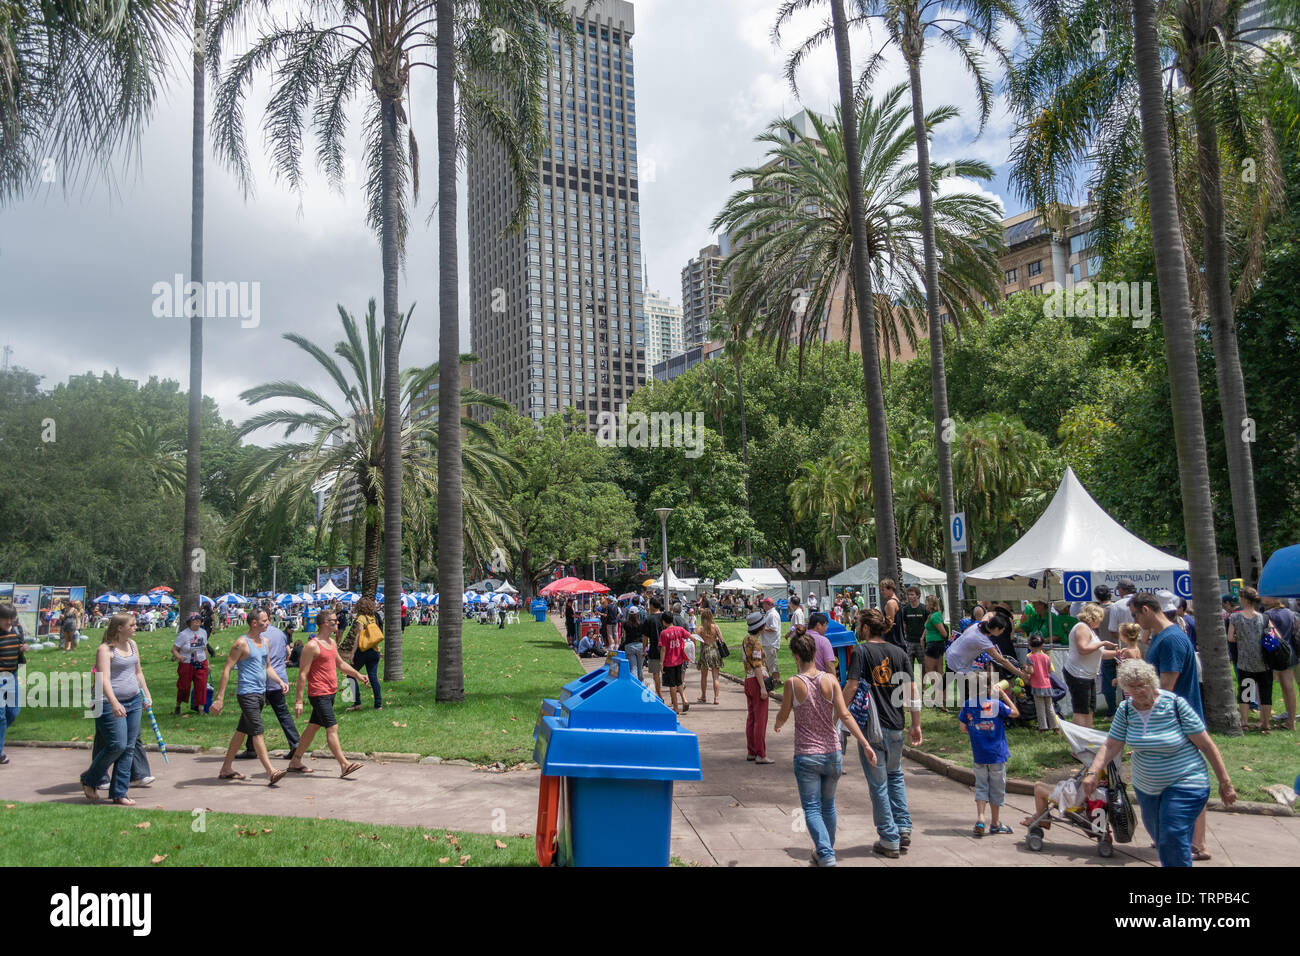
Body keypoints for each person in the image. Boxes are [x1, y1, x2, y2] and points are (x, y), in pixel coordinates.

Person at [1084, 659, 1236, 866]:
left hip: (1186, 780)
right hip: (1147, 787)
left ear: (1152, 682)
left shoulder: (1174, 705)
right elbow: (1111, 745)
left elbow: (1207, 746)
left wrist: (1225, 783)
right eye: (1131, 687)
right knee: (1161, 838)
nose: (1137, 691)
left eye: (1141, 685)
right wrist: (1093, 772)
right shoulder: (1126, 710)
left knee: (1172, 834)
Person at [774, 630, 876, 867]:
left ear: (796, 656)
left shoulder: (793, 683)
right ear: (816, 653)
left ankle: (826, 854)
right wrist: (865, 743)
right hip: (832, 752)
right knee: (828, 805)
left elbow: (785, 712)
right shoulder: (830, 681)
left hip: (807, 754)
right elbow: (845, 715)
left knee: (811, 808)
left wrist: (778, 723)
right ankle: (825, 850)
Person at [843, 607, 920, 857]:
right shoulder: (899, 652)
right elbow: (912, 691)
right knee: (895, 775)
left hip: (872, 729)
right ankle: (903, 826)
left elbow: (852, 687)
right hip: (897, 725)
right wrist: (916, 724)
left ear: (865, 628)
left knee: (878, 784)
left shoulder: (862, 651)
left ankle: (889, 838)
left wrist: (837, 713)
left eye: (858, 624)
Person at [79, 613, 153, 804]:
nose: (136, 627)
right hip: (108, 702)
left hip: (134, 700)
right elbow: (103, 679)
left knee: (128, 748)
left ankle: (119, 793)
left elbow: (138, 672)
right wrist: (114, 703)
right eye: (132, 625)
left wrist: (146, 693)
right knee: (117, 745)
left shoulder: (133, 645)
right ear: (120, 628)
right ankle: (89, 779)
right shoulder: (105, 649)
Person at [210, 608, 289, 786]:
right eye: (264, 621)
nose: (268, 623)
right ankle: (271, 771)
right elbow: (227, 669)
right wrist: (220, 698)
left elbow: (267, 667)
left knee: (241, 731)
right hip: (247, 693)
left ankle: (226, 768)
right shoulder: (241, 643)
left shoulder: (265, 642)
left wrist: (280, 682)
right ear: (254, 623)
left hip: (260, 692)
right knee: (257, 731)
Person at [287, 608, 367, 778]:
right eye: (334, 620)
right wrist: (299, 701)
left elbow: (340, 664)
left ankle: (295, 761)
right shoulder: (312, 646)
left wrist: (358, 675)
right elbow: (302, 674)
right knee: (332, 727)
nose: (337, 622)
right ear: (325, 623)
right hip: (318, 693)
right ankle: (344, 765)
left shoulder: (331, 643)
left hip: (330, 692)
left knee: (312, 728)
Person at [959, 681, 1019, 836]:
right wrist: (1004, 695)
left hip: (979, 754)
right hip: (997, 755)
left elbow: (963, 728)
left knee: (981, 786)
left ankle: (980, 818)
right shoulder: (996, 704)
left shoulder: (968, 704)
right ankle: (995, 823)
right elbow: (1015, 712)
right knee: (996, 789)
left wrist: (977, 729)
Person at [239, 610, 300, 759]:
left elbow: (261, 662)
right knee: (281, 713)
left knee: (251, 715)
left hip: (261, 681)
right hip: (278, 677)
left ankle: (252, 748)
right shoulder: (280, 634)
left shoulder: (260, 636)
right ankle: (295, 743)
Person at [945, 610, 1031, 705]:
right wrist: (1021, 674)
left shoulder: (981, 624)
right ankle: (968, 712)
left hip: (953, 652)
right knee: (969, 689)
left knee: (949, 677)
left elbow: (989, 614)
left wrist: (997, 612)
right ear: (996, 629)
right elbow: (1002, 660)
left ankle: (936, 695)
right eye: (1002, 630)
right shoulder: (983, 640)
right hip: (958, 660)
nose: (1003, 632)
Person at [1063, 603, 1119, 728]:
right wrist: (1102, 643)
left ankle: (1088, 738)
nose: (1101, 620)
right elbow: (1083, 649)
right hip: (1078, 674)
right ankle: (1079, 740)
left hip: (1087, 675)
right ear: (1094, 617)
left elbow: (1100, 653)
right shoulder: (1081, 628)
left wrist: (1116, 653)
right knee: (1081, 709)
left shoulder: (1090, 630)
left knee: (1089, 709)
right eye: (1100, 617)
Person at [1227, 586, 1274, 733]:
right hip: (1264, 662)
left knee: (1246, 692)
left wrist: (1241, 638)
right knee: (1265, 693)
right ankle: (1266, 723)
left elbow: (1230, 638)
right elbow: (1273, 637)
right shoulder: (1264, 617)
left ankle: (1244, 722)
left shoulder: (1235, 617)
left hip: (1245, 661)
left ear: (1245, 600)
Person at [1262, 597, 1298, 730]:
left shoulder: (1267, 615)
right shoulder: (1290, 613)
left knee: (1273, 687)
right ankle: (1291, 721)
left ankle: (1266, 719)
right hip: (1290, 652)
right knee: (1289, 688)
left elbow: (1268, 636)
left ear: (1271, 600)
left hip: (1276, 653)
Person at [743, 611, 772, 764]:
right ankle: (761, 753)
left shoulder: (746, 640)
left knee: (752, 718)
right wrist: (762, 687)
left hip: (748, 680)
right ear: (761, 627)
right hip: (757, 680)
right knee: (761, 719)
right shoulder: (756, 642)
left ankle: (752, 751)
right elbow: (757, 665)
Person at [346, 597, 384, 711]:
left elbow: (359, 635)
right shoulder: (374, 617)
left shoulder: (361, 618)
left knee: (350, 675)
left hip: (363, 651)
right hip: (374, 651)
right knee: (373, 677)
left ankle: (357, 703)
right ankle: (378, 705)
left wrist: (352, 653)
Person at [172, 612, 210, 715]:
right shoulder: (184, 634)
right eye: (195, 619)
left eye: (199, 619)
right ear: (190, 622)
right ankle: (178, 705)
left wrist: (208, 663)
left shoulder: (203, 632)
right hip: (187, 663)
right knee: (183, 686)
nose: (198, 621)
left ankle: (201, 709)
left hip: (201, 662)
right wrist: (179, 657)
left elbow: (205, 648)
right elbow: (174, 649)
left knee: (201, 686)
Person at [0, 604, 23, 766]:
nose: (9, 621)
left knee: (13, 712)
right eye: (6, 618)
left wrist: (24, 648)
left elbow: (20, 644)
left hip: (12, 675)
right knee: (0, 716)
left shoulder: (16, 629)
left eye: (12, 618)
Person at [658, 612, 691, 715]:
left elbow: (663, 649)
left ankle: (676, 707)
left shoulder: (664, 633)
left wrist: (661, 663)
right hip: (679, 661)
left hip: (669, 662)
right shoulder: (680, 629)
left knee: (672, 685)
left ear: (664, 621)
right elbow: (689, 636)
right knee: (679, 682)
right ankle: (685, 700)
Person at [1027, 636, 1057, 731]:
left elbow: (1031, 671)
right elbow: (1049, 671)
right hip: (1047, 684)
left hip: (1037, 685)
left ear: (1030, 646)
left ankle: (1043, 727)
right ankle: (1055, 726)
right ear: (1042, 645)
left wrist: (1025, 669)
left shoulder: (1030, 657)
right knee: (1050, 707)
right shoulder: (1046, 657)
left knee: (1040, 708)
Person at [694, 607, 723, 704]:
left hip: (704, 652)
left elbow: (694, 639)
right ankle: (716, 698)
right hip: (714, 651)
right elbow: (722, 640)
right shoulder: (715, 627)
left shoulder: (701, 628)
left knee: (704, 676)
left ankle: (703, 696)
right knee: (716, 676)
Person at [900, 585, 929, 676]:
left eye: (912, 595)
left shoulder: (924, 609)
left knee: (923, 666)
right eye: (909, 595)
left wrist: (923, 638)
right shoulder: (906, 609)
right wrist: (904, 635)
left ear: (918, 596)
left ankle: (923, 688)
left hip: (921, 642)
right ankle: (912, 686)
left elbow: (928, 625)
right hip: (909, 641)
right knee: (908, 666)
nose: (910, 597)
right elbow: (904, 623)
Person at [921, 594, 948, 682]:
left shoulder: (934, 616)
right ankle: (943, 693)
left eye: (926, 603)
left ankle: (937, 691)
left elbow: (944, 633)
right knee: (939, 670)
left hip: (934, 645)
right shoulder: (932, 615)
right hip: (936, 644)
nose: (925, 605)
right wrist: (922, 638)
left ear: (931, 604)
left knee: (929, 670)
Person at [758, 596, 782, 687]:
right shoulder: (768, 613)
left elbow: (774, 628)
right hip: (767, 642)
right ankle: (773, 680)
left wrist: (762, 629)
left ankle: (776, 681)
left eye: (764, 603)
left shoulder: (773, 614)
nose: (763, 605)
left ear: (768, 605)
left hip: (771, 643)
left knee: (772, 664)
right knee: (769, 663)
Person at [621, 596, 646, 682]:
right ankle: (641, 685)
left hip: (629, 645)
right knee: (640, 668)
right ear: (637, 614)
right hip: (640, 646)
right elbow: (644, 637)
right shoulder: (641, 624)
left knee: (633, 668)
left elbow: (624, 636)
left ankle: (634, 684)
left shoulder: (625, 624)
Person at [644, 597, 665, 700]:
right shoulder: (664, 617)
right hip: (666, 649)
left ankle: (659, 694)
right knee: (668, 671)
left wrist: (644, 649)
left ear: (652, 605)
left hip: (654, 649)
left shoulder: (649, 619)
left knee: (656, 674)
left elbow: (645, 637)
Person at [880, 579, 904, 651]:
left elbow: (889, 623)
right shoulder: (896, 600)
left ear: (890, 589)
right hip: (897, 639)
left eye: (883, 590)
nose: (881, 592)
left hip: (892, 640)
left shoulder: (891, 603)